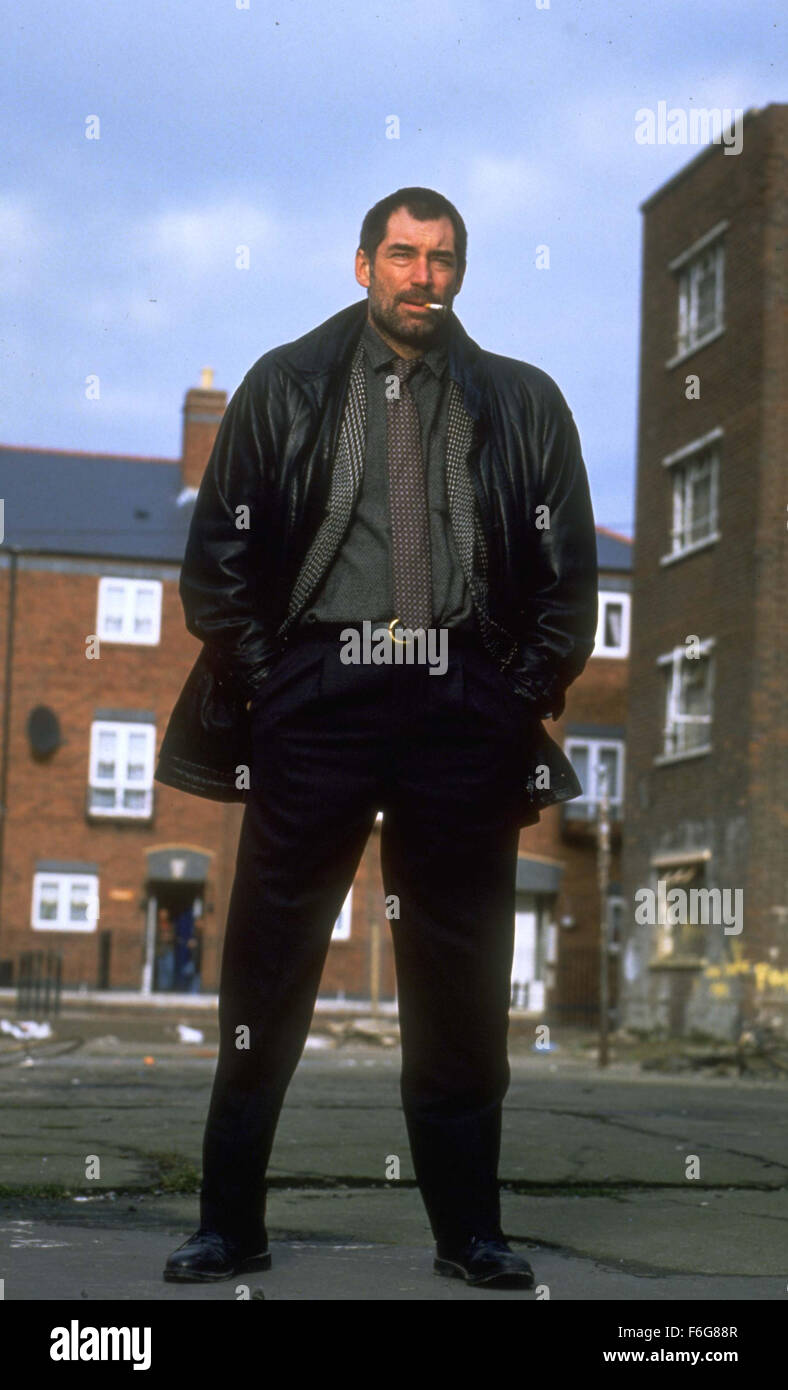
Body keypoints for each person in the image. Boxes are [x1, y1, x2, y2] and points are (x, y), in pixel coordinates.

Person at [156, 187, 598, 1289]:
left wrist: (513, 695)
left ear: (460, 272)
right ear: (361, 266)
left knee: (459, 976)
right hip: (318, 694)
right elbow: (216, 564)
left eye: (441, 258)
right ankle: (228, 1224)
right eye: (400, 256)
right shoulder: (284, 385)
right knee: (268, 965)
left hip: (461, 702)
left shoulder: (524, 402)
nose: (421, 277)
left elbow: (565, 580)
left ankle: (469, 1236)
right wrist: (273, 684)